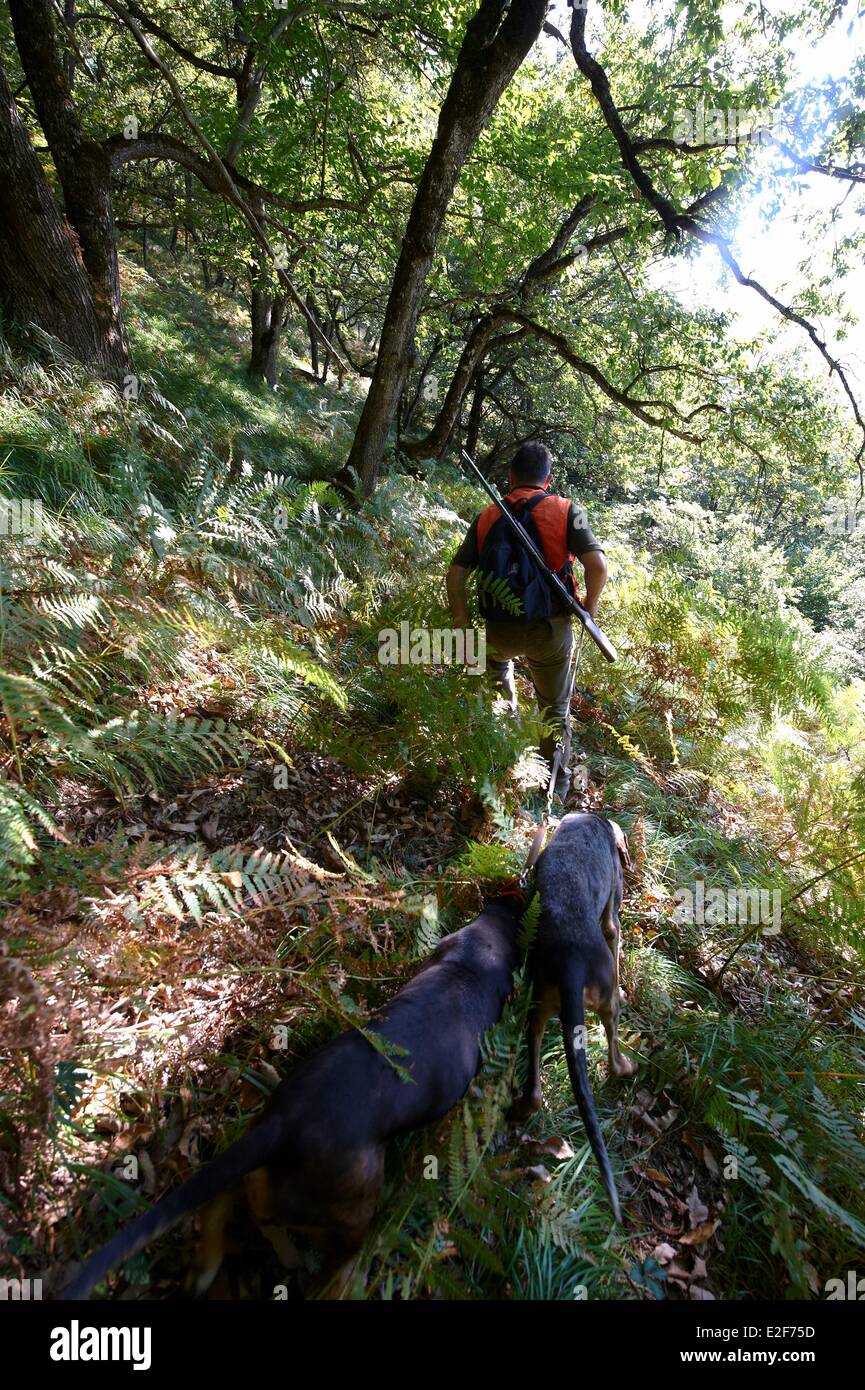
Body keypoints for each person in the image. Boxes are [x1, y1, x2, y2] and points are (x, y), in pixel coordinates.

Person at [446, 441, 607, 800]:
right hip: (548, 630)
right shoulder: (568, 511)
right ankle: (554, 788)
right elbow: (598, 566)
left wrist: (461, 623)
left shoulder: (488, 515)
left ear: (510, 477)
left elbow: (456, 574)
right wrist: (588, 610)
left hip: (497, 630)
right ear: (548, 478)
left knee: (497, 677)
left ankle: (506, 754)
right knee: (554, 708)